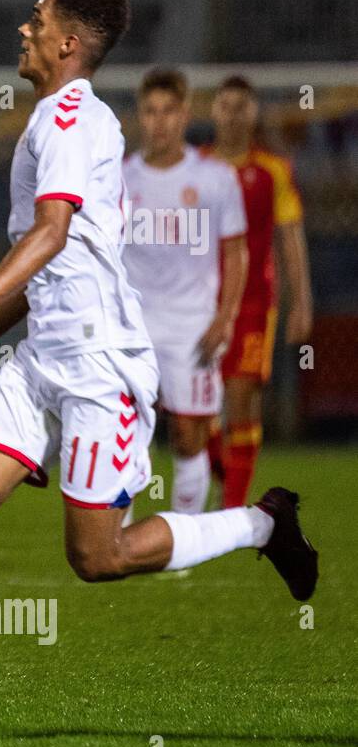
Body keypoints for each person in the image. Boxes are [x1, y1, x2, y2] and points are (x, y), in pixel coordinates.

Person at [0, 0, 318, 747]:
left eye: (35, 18)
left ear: (68, 42)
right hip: (43, 359)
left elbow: (52, 233)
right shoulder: (52, 120)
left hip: (100, 366)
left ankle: (258, 524)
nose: (22, 29)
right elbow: (39, 272)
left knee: (98, 559)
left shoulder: (71, 118)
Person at [121, 67, 248, 514]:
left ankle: (183, 540)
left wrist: (224, 316)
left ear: (184, 115)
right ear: (141, 116)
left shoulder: (215, 178)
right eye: (150, 112)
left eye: (168, 111)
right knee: (124, 432)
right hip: (131, 326)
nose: (159, 121)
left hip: (192, 325)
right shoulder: (118, 180)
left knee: (189, 435)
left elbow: (236, 252)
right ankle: (117, 535)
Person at [204, 76, 313, 508]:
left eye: (241, 106)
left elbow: (290, 238)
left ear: (253, 114)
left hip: (253, 304)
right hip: (198, 304)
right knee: (192, 410)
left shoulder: (273, 170)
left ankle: (231, 508)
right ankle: (224, 475)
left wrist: (302, 300)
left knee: (241, 396)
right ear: (213, 111)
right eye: (225, 105)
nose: (232, 114)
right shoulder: (196, 167)